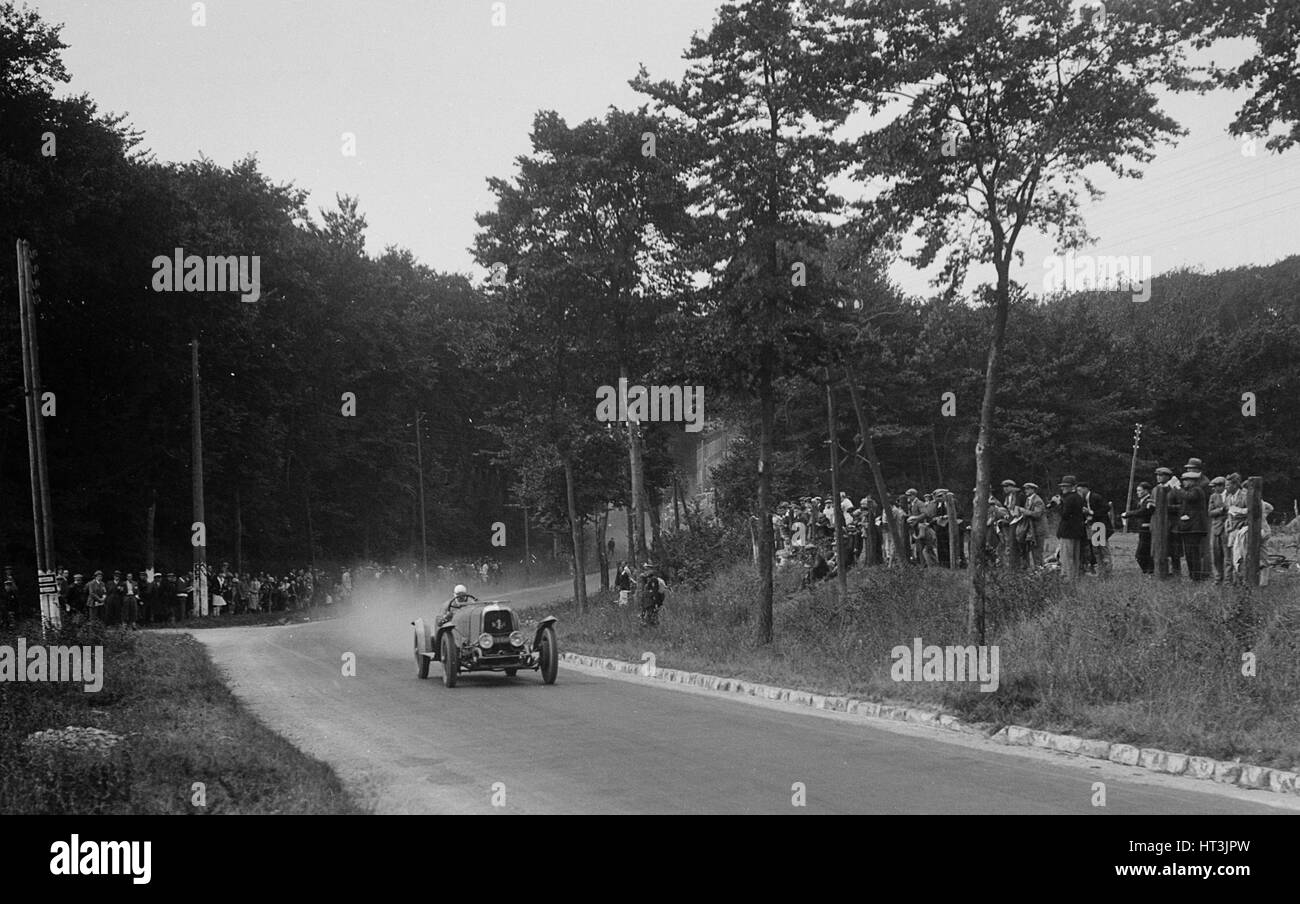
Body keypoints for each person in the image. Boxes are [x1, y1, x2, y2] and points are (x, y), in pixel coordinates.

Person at [1055, 476, 1087, 581]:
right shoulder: (1078, 497)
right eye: (1062, 486)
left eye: (1066, 486)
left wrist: (1058, 504)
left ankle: (1068, 578)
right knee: (1075, 557)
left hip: (1067, 532)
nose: (1063, 488)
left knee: (1066, 557)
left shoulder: (1069, 498)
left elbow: (1064, 515)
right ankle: (1075, 576)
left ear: (1072, 486)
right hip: (1077, 532)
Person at [1124, 482, 1156, 574]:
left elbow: (1142, 512)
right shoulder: (1143, 501)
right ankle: (1149, 571)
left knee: (1141, 553)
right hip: (1142, 529)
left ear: (1146, 491)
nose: (1137, 492)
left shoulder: (1149, 501)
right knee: (1145, 552)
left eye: (1139, 490)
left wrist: (1127, 514)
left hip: (1147, 529)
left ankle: (1149, 571)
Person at [1208, 476, 1229, 583]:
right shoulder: (1213, 497)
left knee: (1227, 555)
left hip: (1228, 528)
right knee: (1216, 554)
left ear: (1222, 486)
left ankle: (1228, 578)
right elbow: (1210, 512)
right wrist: (1221, 510)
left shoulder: (1230, 495)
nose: (1214, 489)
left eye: (1216, 486)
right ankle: (1218, 577)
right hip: (1216, 528)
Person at [1023, 482, 1048, 568]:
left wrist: (1024, 512)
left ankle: (1040, 570)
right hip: (1032, 530)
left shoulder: (1037, 500)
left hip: (1038, 529)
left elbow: (1037, 514)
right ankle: (1037, 570)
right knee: (1033, 550)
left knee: (1037, 551)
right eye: (1025, 489)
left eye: (1028, 489)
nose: (1026, 490)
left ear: (1033, 490)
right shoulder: (1028, 500)